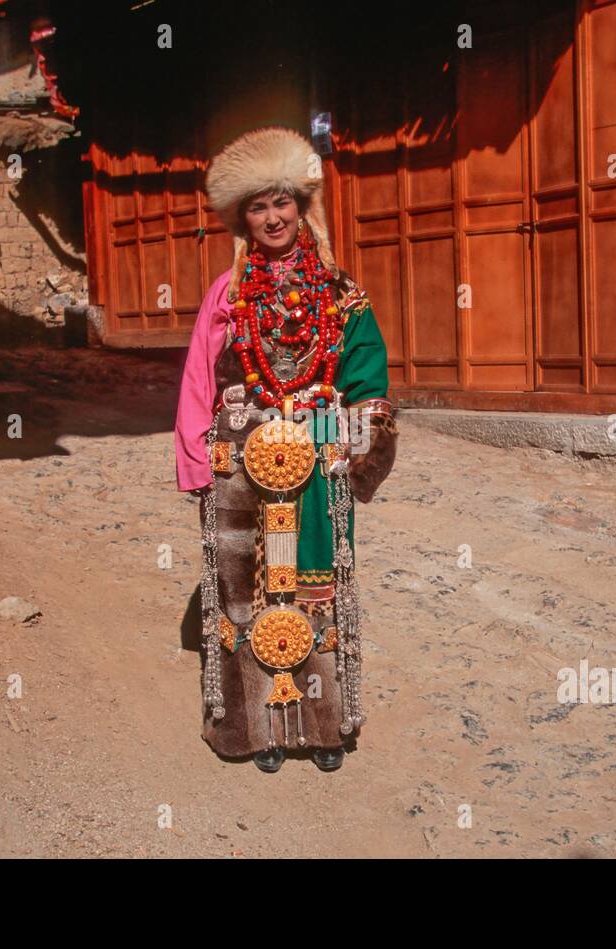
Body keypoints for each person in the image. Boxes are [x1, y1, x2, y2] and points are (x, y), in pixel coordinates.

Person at [175, 126, 398, 772]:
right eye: (258, 206)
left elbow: (368, 377)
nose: (273, 217)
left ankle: (321, 725)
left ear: (302, 207)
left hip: (319, 462)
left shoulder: (338, 292)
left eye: (283, 202)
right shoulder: (228, 295)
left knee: (315, 589)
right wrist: (197, 461)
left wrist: (359, 448)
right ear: (242, 218)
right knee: (251, 595)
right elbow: (198, 381)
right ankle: (259, 728)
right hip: (243, 466)